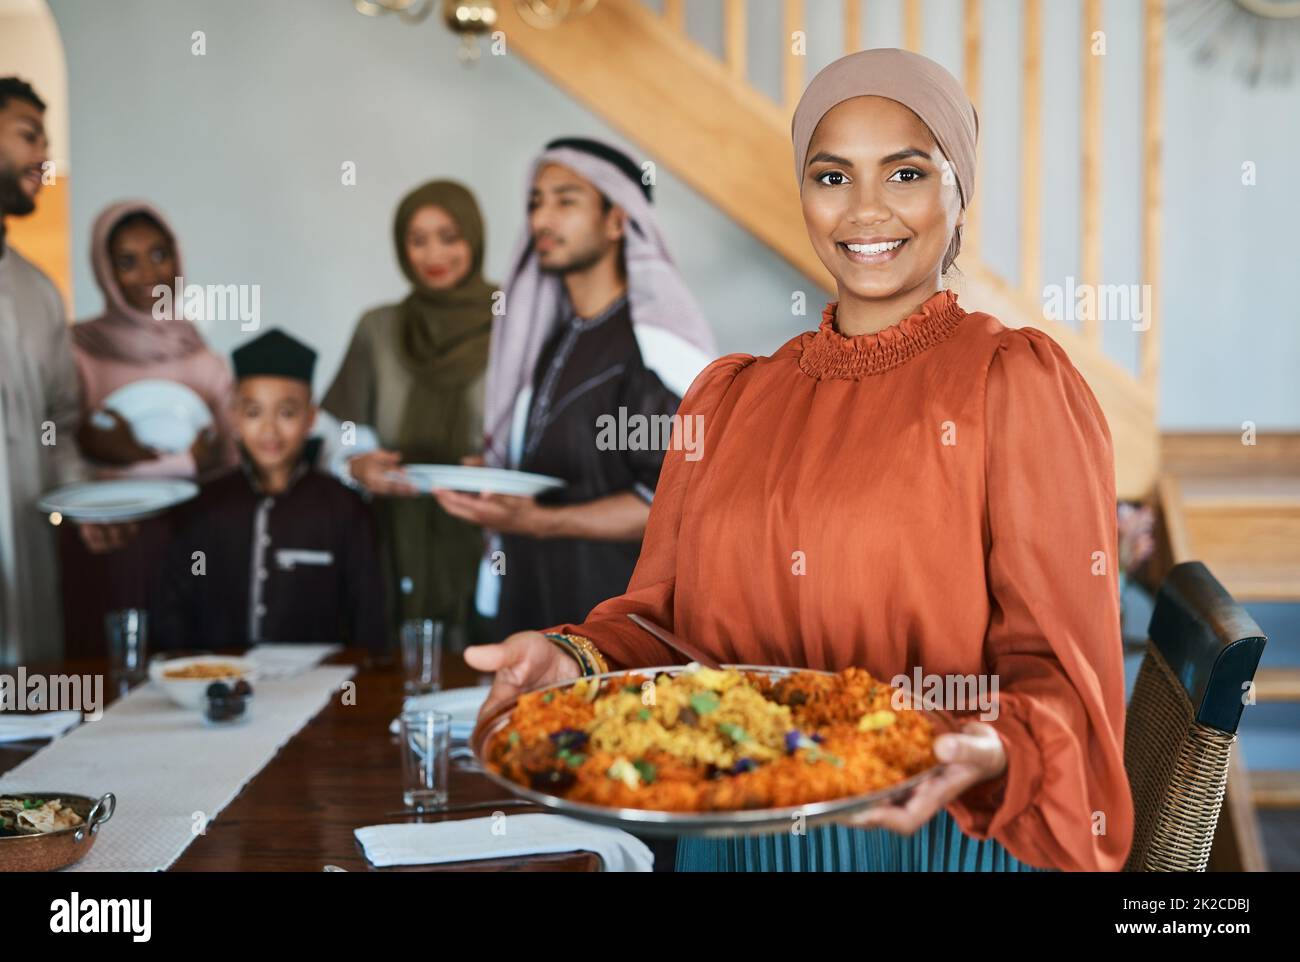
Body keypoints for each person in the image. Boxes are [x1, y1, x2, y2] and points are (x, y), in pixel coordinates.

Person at [461, 50, 1134, 872]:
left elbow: (1064, 676)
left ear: (959, 190)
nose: (866, 210)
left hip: (926, 838)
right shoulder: (732, 400)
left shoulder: (1013, 385)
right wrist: (572, 659)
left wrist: (991, 745)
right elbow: (671, 633)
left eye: (907, 173)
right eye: (832, 176)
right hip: (734, 839)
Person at [434, 137, 715, 640]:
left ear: (616, 220)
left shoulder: (651, 350)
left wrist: (543, 522)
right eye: (536, 203)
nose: (542, 220)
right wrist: (496, 477)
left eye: (566, 200)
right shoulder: (556, 339)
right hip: (534, 611)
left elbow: (667, 503)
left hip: (616, 630)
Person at [60, 200, 237, 656]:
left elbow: (230, 463)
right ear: (104, 271)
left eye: (160, 254)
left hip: (193, 544)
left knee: (191, 673)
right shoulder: (78, 353)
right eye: (127, 261)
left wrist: (134, 458)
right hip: (110, 544)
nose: (149, 275)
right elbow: (61, 457)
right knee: (113, 682)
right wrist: (179, 464)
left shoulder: (204, 357)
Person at [321, 180, 493, 641]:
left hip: (491, 530)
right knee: (400, 665)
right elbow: (347, 428)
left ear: (474, 238)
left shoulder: (514, 320)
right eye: (417, 240)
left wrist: (503, 466)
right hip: (396, 531)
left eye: (449, 236)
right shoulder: (379, 328)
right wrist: (354, 462)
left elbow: (539, 426)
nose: (434, 254)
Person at [153, 329, 386, 650]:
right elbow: (172, 613)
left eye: (287, 412)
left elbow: (370, 617)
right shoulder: (201, 507)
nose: (269, 429)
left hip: (319, 687)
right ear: (234, 416)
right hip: (217, 686)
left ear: (311, 418)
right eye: (253, 412)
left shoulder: (345, 508)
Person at [0, 77, 86, 665]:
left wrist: (82, 506)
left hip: (28, 549)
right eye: (29, 136)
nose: (44, 158)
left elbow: (62, 419)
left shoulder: (38, 291)